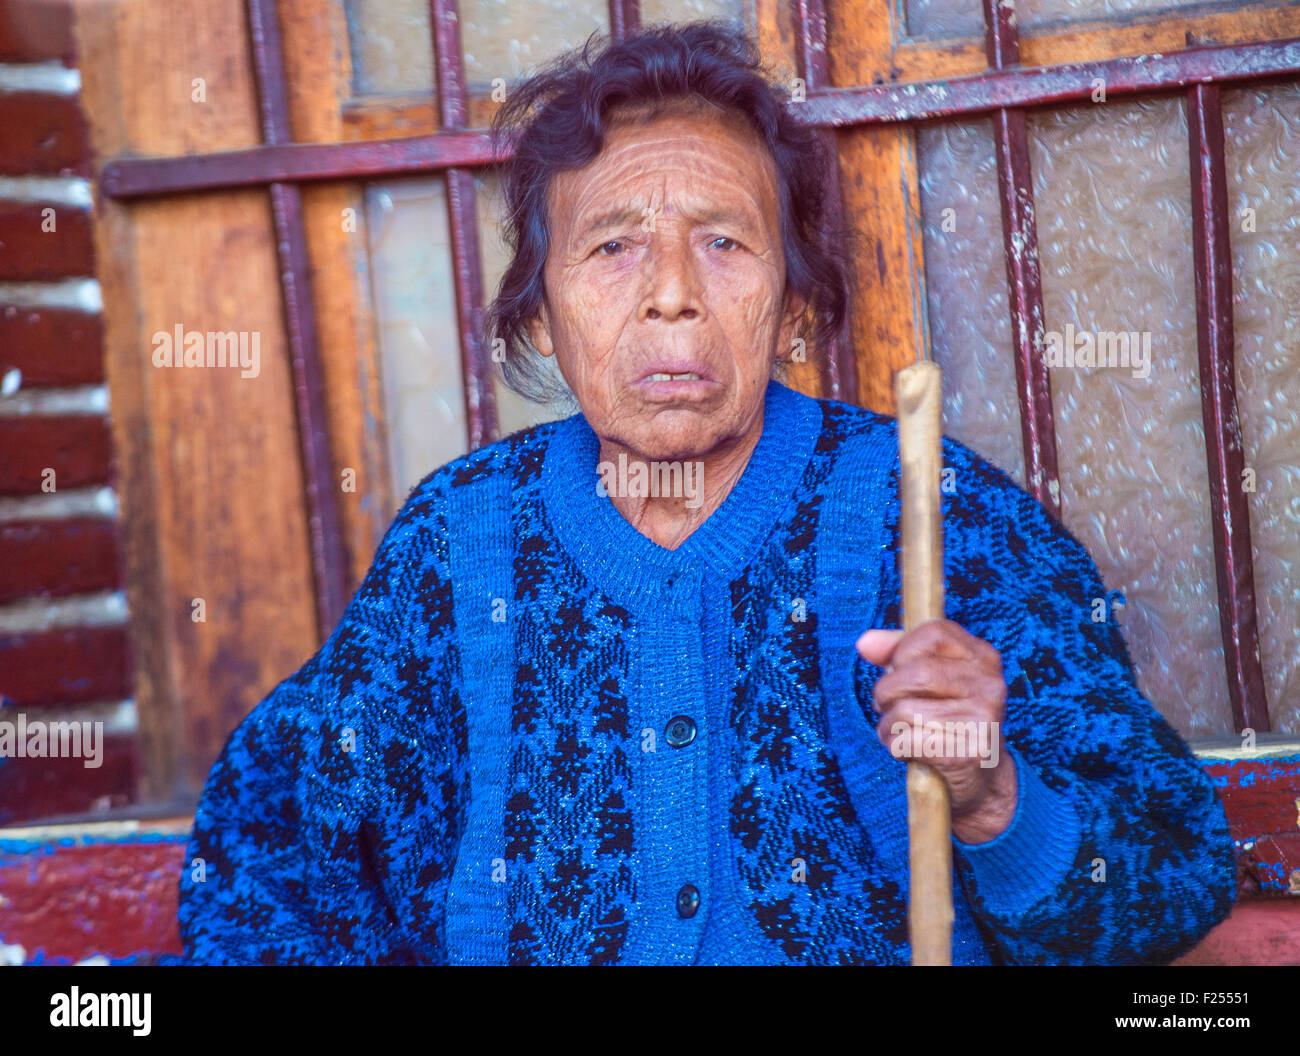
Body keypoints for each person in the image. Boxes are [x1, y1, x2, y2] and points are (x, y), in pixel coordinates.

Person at [171, 20, 1235, 965]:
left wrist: (993, 796)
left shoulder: (939, 515)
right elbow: (267, 858)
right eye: (612, 245)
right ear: (540, 320)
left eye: (724, 243)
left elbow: (1169, 881)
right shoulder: (460, 541)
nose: (672, 294)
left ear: (795, 310)